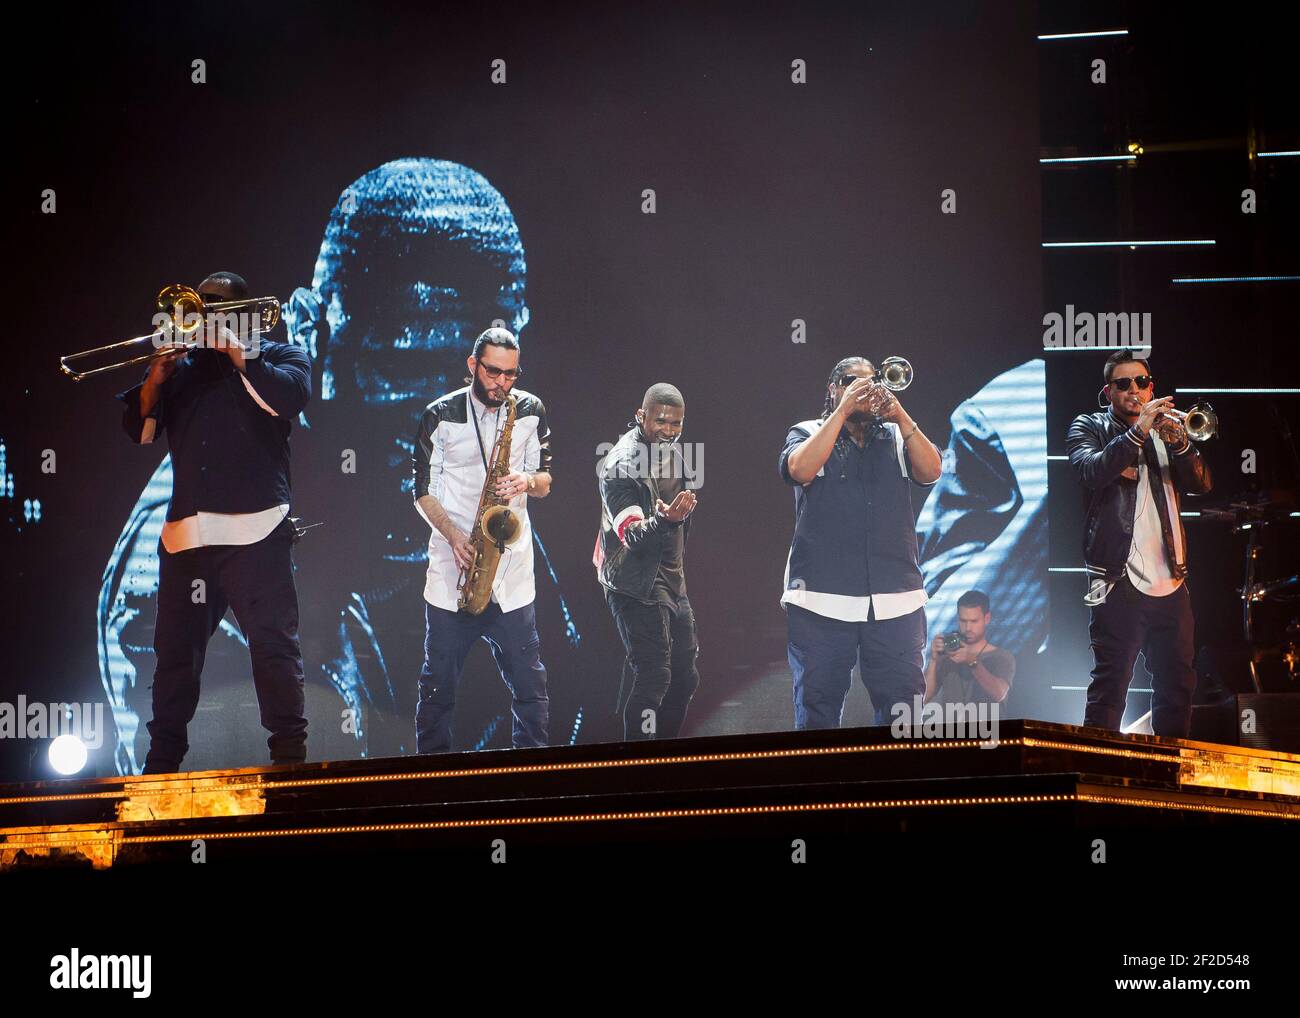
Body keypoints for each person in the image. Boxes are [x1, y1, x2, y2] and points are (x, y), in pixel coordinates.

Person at [115, 271, 312, 773]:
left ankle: (288, 756)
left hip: (257, 532)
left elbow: (288, 399)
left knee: (273, 647)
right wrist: (156, 376)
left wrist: (240, 352)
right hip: (187, 538)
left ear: (244, 313)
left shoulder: (278, 355)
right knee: (175, 659)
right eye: (202, 306)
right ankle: (161, 764)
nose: (207, 315)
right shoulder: (183, 368)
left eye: (220, 307)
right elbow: (140, 433)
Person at [779, 356, 942, 728]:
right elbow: (799, 469)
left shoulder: (898, 435)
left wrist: (900, 415)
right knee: (817, 710)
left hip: (895, 600)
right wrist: (843, 411)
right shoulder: (807, 431)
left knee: (904, 714)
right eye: (854, 382)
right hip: (822, 600)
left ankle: (895, 787)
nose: (865, 390)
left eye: (872, 382)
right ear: (834, 388)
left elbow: (932, 470)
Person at [410, 326, 552, 752]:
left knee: (530, 687)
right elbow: (421, 491)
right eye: (493, 373)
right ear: (472, 365)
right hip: (455, 570)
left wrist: (525, 480)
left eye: (511, 374)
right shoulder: (439, 414)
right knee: (437, 691)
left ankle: (532, 780)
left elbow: (546, 481)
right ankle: (431, 784)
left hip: (510, 575)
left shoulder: (529, 409)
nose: (502, 383)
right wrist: (454, 536)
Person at [1065, 350, 1212, 737]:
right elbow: (1091, 471)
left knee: (1178, 685)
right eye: (1123, 384)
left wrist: (1181, 445)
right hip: (1119, 579)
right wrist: (1137, 432)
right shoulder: (1090, 426)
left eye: (1142, 382)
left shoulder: (1166, 432)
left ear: (1152, 388)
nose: (1134, 390)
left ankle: (1169, 779)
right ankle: (1099, 776)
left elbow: (1202, 484)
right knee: (1111, 686)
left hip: (1172, 579)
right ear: (1107, 392)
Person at [595, 383, 701, 740]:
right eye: (662, 422)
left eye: (677, 424)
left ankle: (665, 754)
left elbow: (680, 520)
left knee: (685, 677)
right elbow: (632, 536)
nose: (669, 431)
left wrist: (674, 522)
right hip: (634, 582)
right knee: (655, 675)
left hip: (670, 578)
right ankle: (638, 765)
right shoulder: (620, 465)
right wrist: (665, 521)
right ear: (642, 416)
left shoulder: (673, 454)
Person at [923, 590, 1015, 705]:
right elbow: (924, 698)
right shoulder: (947, 656)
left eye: (974, 621)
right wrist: (934, 660)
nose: (968, 627)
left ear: (987, 618)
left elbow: (1000, 694)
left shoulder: (1002, 657)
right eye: (963, 621)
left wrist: (971, 661)